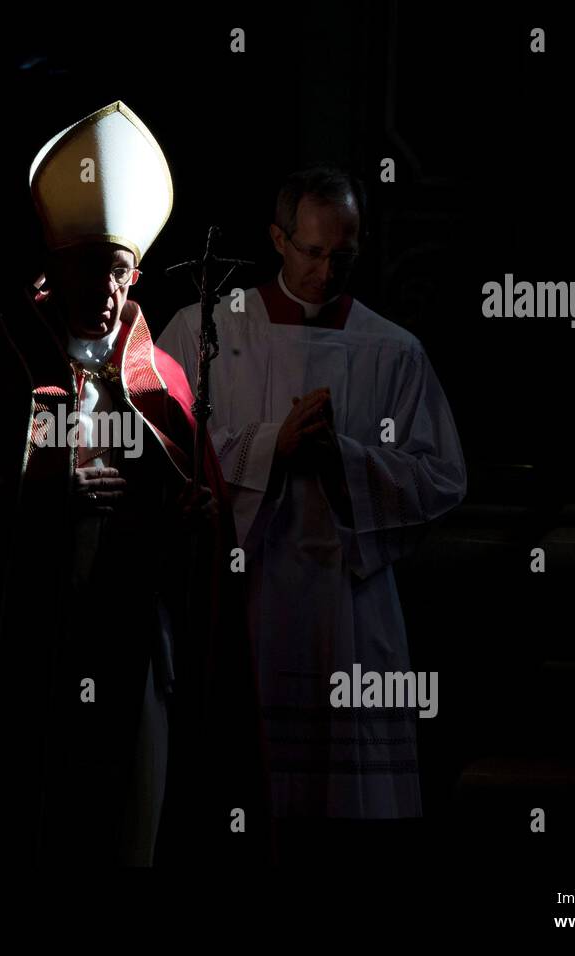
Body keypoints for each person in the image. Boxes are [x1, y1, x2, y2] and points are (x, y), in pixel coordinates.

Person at [0, 102, 270, 865]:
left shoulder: (164, 381)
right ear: (53, 263)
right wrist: (43, 495)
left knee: (128, 817)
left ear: (135, 273)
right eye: (88, 265)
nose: (105, 286)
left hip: (132, 640)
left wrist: (195, 524)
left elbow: (193, 539)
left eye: (119, 269)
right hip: (25, 638)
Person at [158, 164, 467, 846]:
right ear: (277, 238)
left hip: (347, 610)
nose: (329, 272)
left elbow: (441, 479)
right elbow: (166, 454)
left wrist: (344, 461)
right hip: (246, 597)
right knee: (239, 805)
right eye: (313, 251)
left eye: (345, 254)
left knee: (339, 824)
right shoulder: (203, 330)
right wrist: (273, 447)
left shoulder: (393, 351)